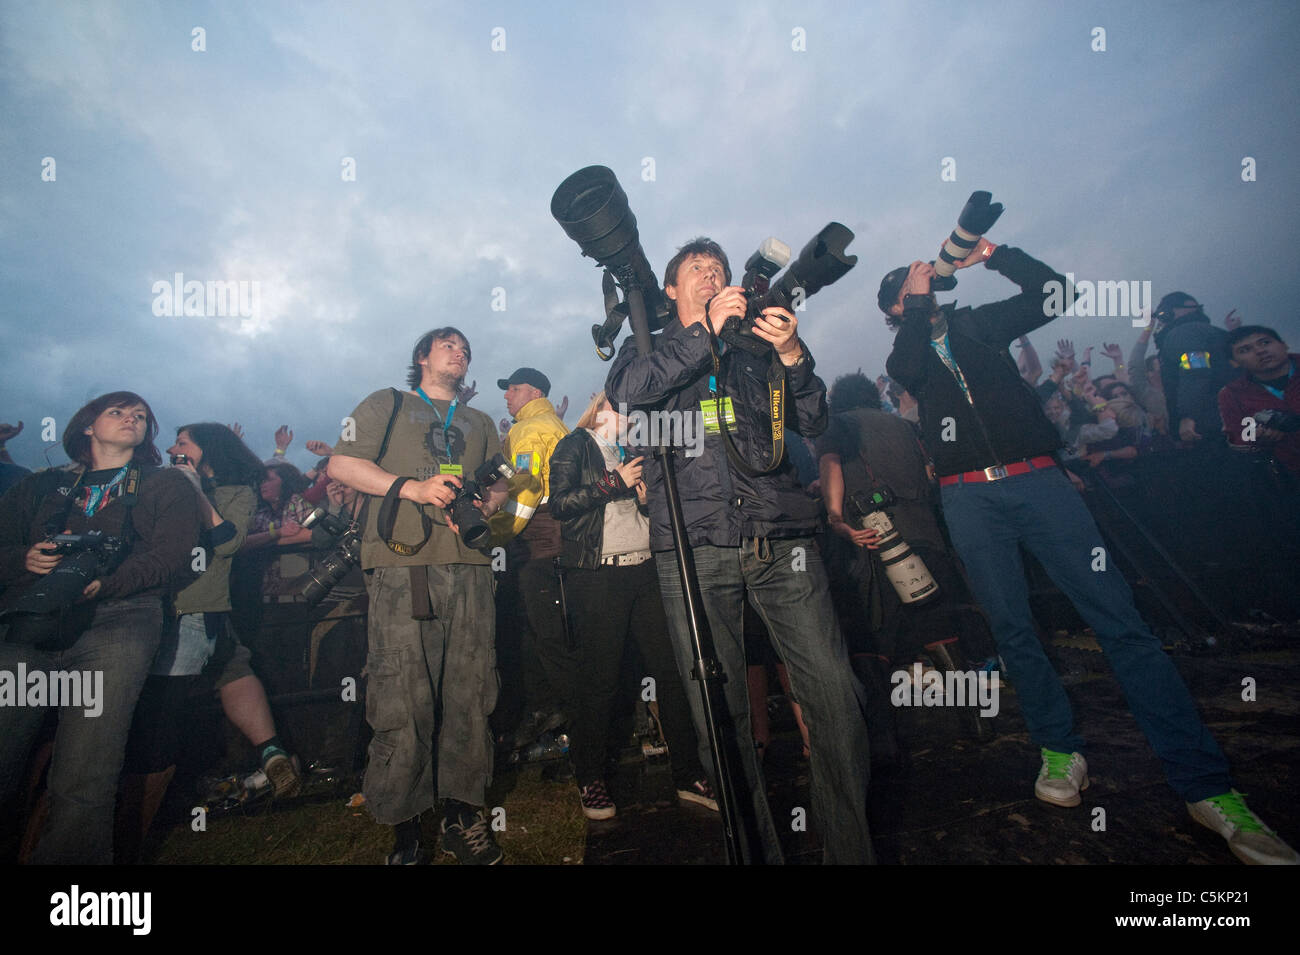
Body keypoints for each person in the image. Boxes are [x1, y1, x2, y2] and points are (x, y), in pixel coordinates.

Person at [881, 240, 1297, 865]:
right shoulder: (905, 350)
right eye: (910, 292)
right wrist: (914, 307)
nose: (925, 293)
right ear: (895, 307)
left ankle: (1207, 787)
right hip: (967, 498)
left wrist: (994, 254)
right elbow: (909, 369)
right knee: (1015, 630)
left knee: (1120, 622)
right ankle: (1058, 747)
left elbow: (1056, 294)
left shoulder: (981, 324)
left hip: (1040, 480)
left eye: (927, 287)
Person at [605, 237, 873, 865]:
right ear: (670, 290)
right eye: (696, 270)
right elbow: (629, 394)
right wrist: (702, 332)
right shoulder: (649, 344)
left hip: (781, 538)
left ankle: (849, 852)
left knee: (836, 695)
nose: (712, 275)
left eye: (718, 269)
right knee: (719, 718)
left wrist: (792, 353)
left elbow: (813, 422)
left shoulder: (755, 342)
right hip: (694, 546)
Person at [328, 326, 508, 865]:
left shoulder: (478, 421)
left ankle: (461, 814)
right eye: (448, 344)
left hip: (471, 567)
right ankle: (404, 827)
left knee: (471, 694)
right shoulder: (387, 402)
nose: (461, 351)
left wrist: (488, 505)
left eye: (466, 348)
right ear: (422, 356)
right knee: (402, 694)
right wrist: (413, 488)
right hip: (403, 563)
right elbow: (342, 465)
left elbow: (503, 482)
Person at [0, 392, 199, 864]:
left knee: (87, 769)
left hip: (120, 620)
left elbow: (171, 558)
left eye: (141, 417)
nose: (132, 419)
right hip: (32, 616)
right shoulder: (39, 485)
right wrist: (21, 560)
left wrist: (105, 582)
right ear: (87, 425)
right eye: (118, 411)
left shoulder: (164, 484)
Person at [548, 392, 715, 820]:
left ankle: (688, 772)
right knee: (600, 680)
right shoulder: (576, 444)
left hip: (646, 570)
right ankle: (589, 776)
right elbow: (560, 505)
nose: (634, 417)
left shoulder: (631, 450)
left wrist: (643, 501)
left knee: (672, 672)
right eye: (627, 410)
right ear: (603, 408)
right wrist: (613, 483)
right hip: (599, 574)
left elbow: (641, 512)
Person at [488, 368, 577, 749]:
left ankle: (565, 717)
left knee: (544, 635)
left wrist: (495, 533)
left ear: (535, 391)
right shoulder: (554, 423)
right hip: (564, 540)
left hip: (538, 542)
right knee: (557, 630)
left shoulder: (528, 429)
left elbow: (526, 490)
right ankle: (560, 716)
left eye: (514, 388)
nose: (507, 395)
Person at [1218, 325, 1300, 481]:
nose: (1260, 351)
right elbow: (1237, 438)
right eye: (1245, 350)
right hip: (1285, 480)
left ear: (1284, 344)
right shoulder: (1232, 394)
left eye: (1265, 343)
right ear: (1234, 363)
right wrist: (1257, 437)